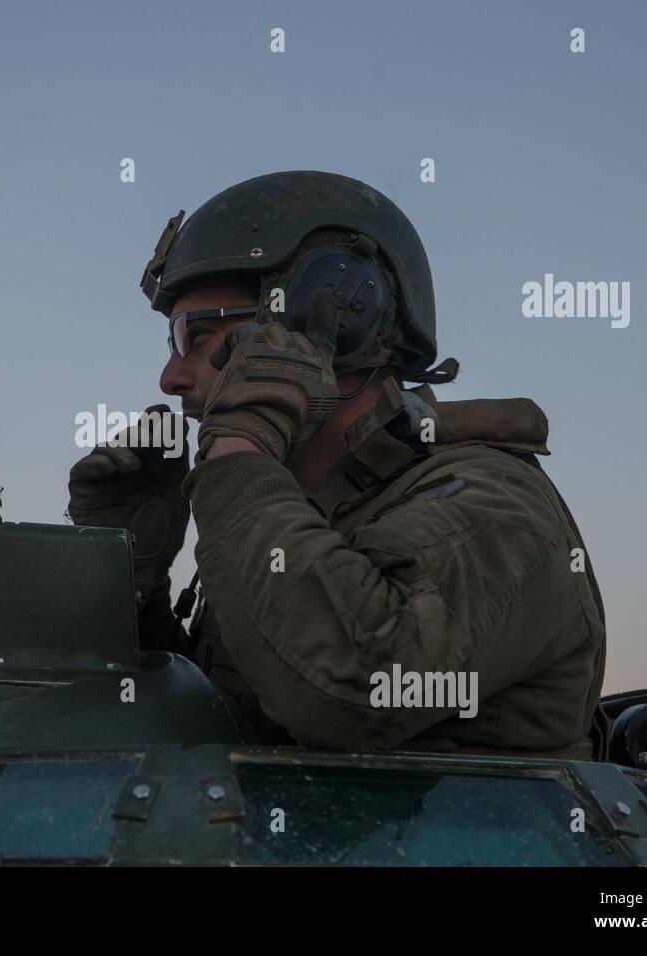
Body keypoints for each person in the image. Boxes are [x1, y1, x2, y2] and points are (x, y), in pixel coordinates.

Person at [68, 170, 607, 759]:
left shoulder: (495, 506)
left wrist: (238, 452)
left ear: (328, 321)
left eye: (194, 336)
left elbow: (353, 692)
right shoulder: (296, 515)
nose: (169, 378)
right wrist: (129, 581)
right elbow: (215, 726)